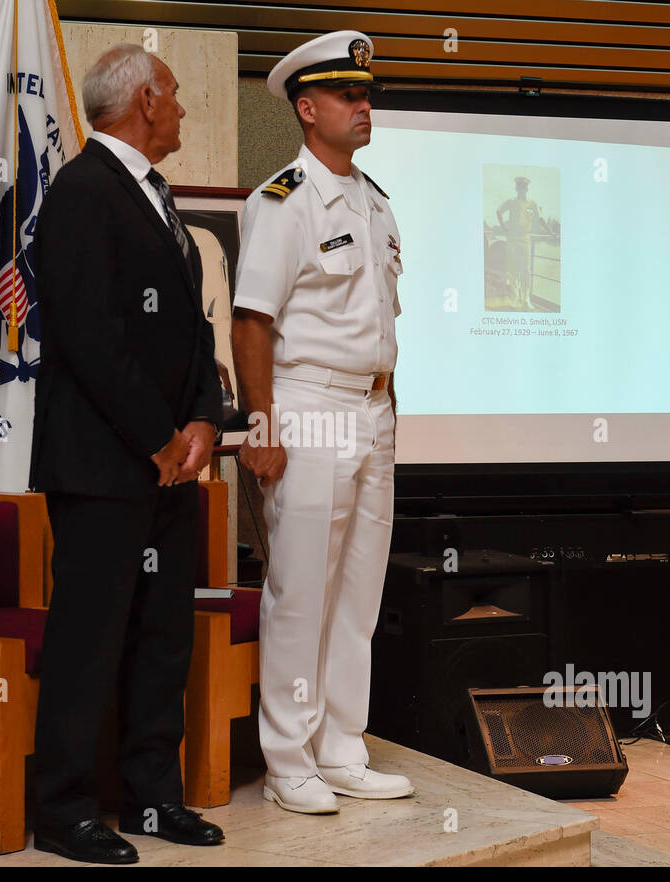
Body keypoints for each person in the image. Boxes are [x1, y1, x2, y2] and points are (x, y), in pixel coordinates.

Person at [28, 44, 224, 864]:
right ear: (144, 100)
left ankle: (152, 798)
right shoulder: (82, 190)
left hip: (169, 466)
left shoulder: (154, 194)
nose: (183, 109)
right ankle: (64, 808)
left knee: (161, 634)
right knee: (89, 640)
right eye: (174, 96)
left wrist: (207, 420)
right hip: (106, 468)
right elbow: (88, 335)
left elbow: (194, 328)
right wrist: (158, 439)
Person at [232, 30, 414, 814]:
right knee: (301, 590)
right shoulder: (283, 202)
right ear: (308, 109)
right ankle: (288, 757)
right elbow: (252, 321)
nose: (363, 103)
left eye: (365, 92)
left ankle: (342, 746)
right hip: (310, 404)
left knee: (357, 593)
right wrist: (262, 425)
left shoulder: (374, 202)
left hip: (374, 408)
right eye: (347, 94)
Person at [496, 176, 544, 311]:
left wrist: (551, 232)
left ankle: (526, 299)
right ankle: (514, 298)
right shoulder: (511, 202)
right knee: (512, 270)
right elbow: (498, 211)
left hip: (525, 239)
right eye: (520, 186)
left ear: (527, 189)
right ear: (517, 188)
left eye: (524, 187)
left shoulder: (532, 204)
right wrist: (504, 228)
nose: (522, 189)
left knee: (526, 271)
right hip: (512, 239)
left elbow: (540, 219)